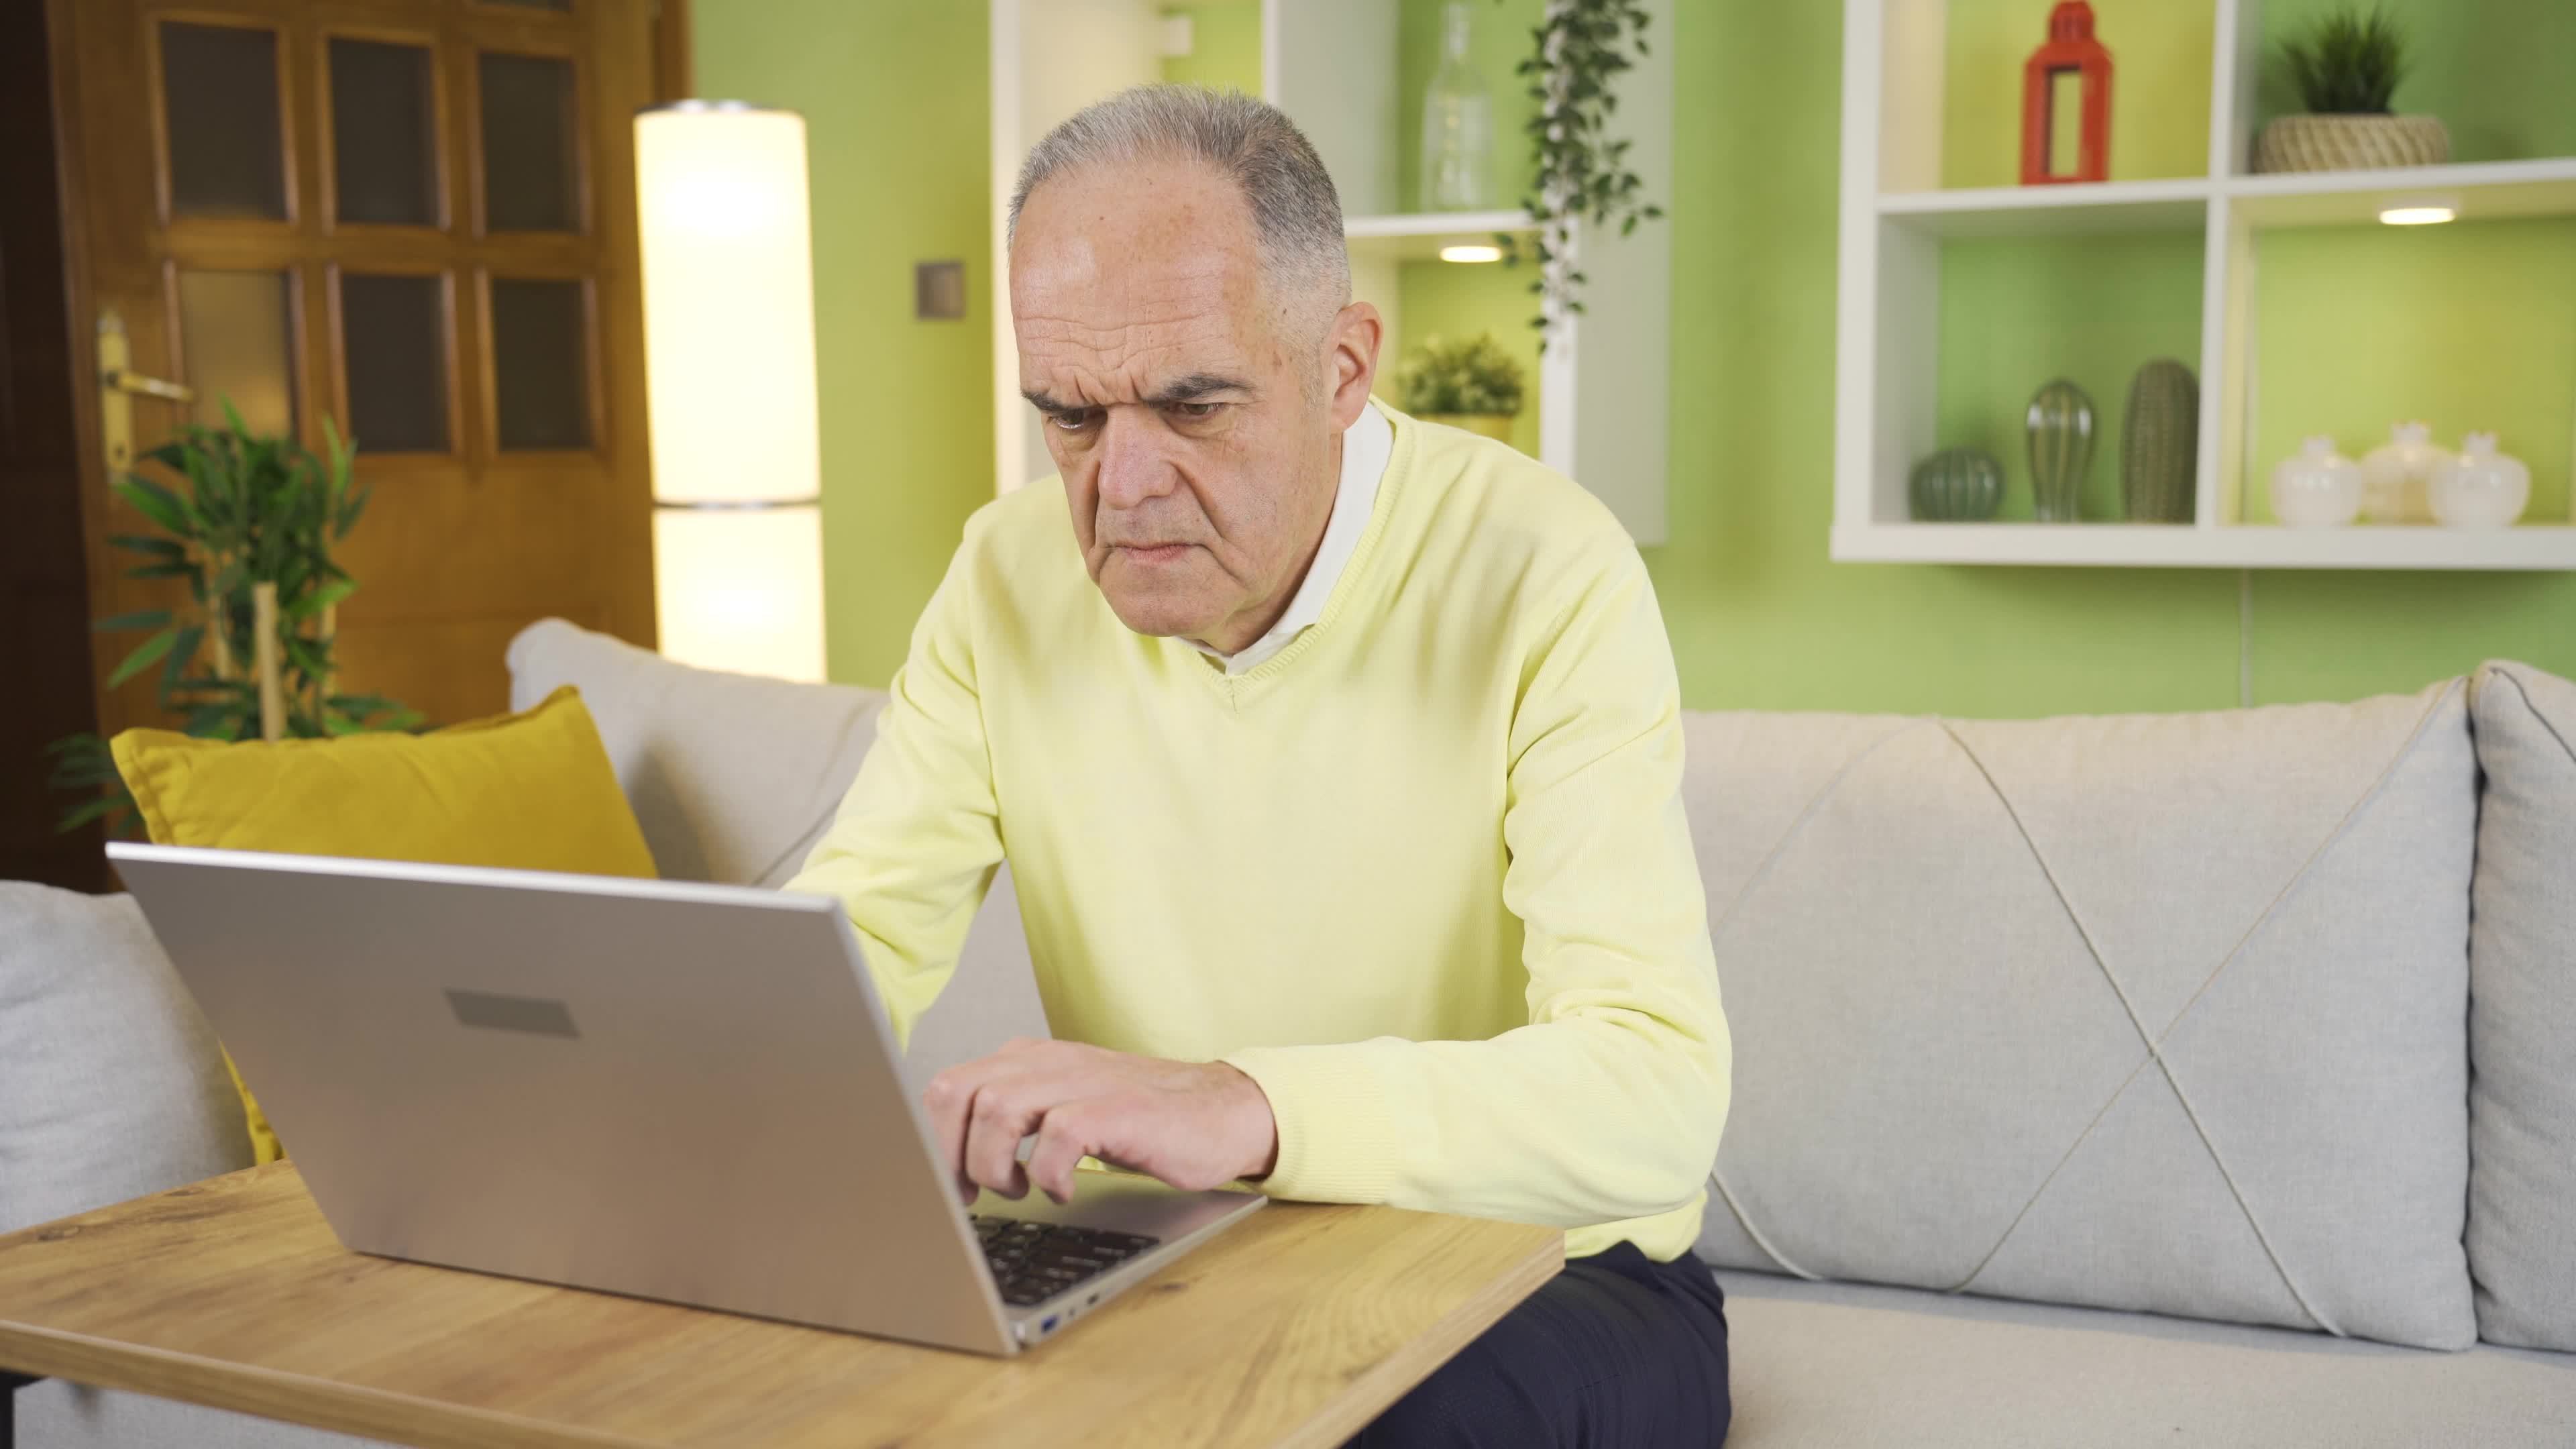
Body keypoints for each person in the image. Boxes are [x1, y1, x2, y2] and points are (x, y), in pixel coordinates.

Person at [786, 84, 1732, 1446]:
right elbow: (849, 941)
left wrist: (1245, 1105)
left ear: (1344, 367)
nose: (1122, 485)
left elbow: (1654, 1099)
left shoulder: (1546, 569)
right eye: (1069, 414)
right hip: (1177, 1249)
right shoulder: (1005, 577)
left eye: (1193, 404)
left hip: (1547, 1271)